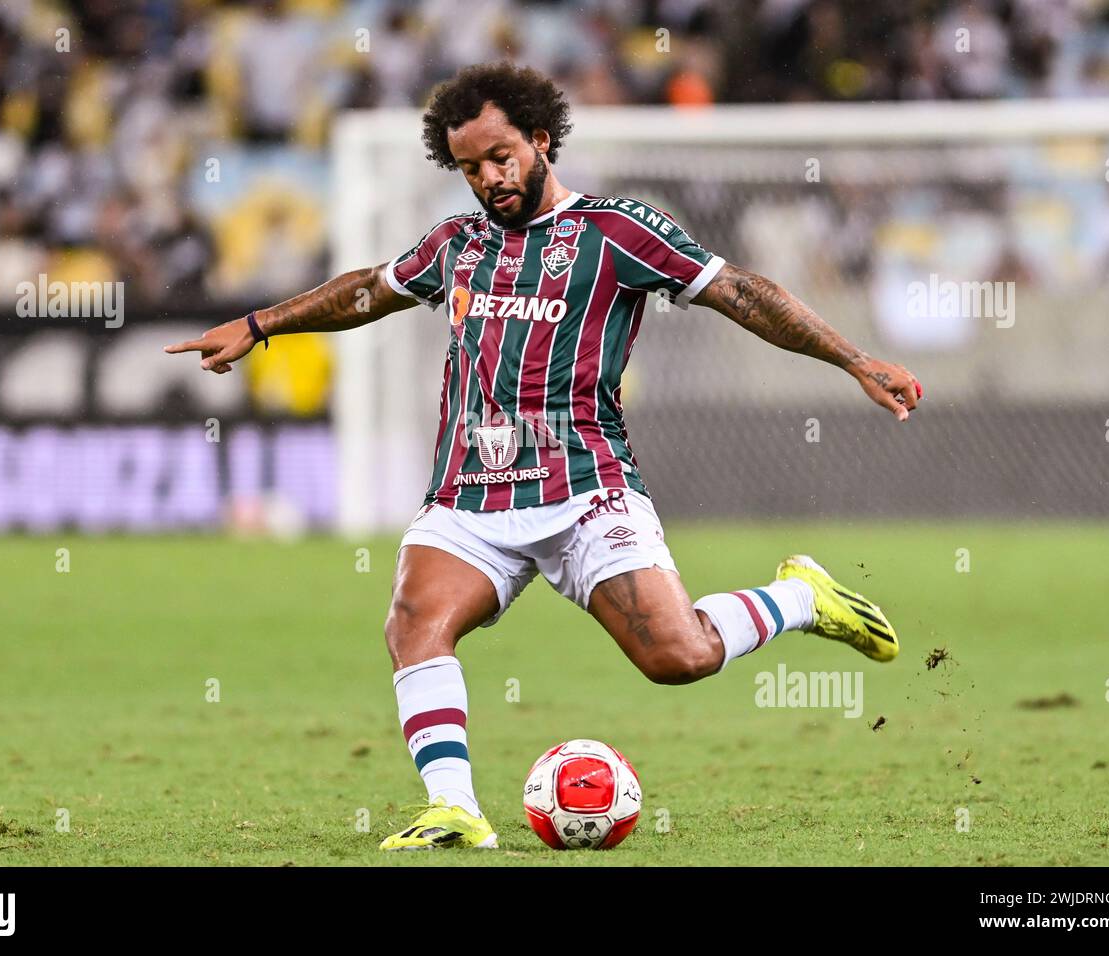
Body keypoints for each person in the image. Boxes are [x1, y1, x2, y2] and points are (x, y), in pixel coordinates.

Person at [165, 64, 922, 851]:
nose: (489, 179)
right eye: (468, 168)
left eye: (500, 157)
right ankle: (454, 808)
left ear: (539, 139)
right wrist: (260, 324)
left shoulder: (617, 232)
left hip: (585, 491)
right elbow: (367, 291)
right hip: (470, 496)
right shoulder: (453, 246)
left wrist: (854, 359)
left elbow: (741, 292)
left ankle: (800, 597)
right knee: (415, 622)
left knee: (678, 657)